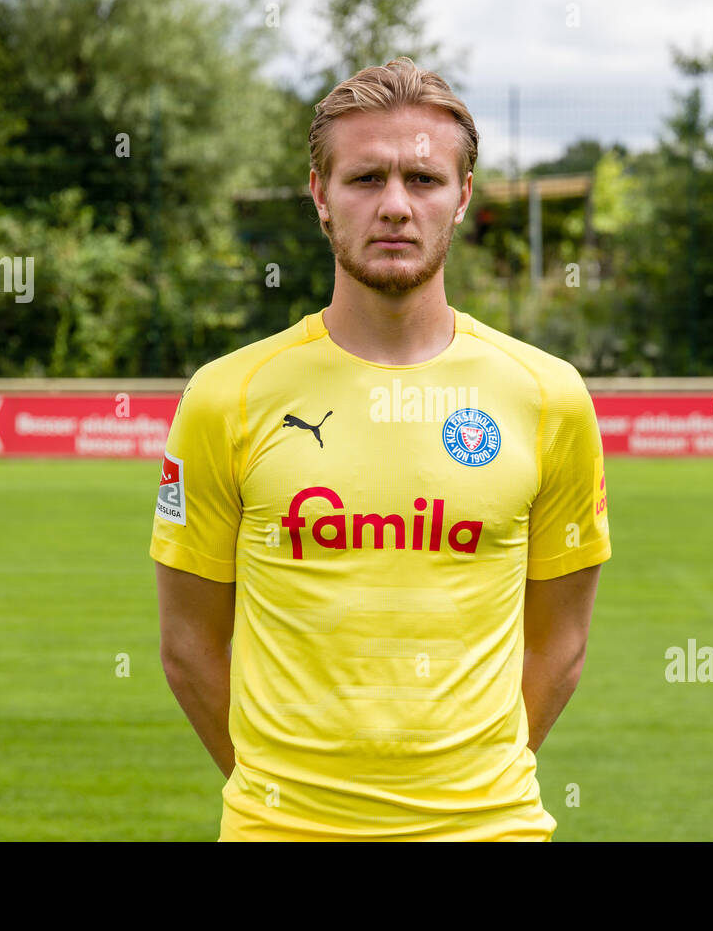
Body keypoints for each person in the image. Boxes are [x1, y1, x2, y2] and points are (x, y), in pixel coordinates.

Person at [151, 56, 611, 841]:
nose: (395, 206)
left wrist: (467, 791)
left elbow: (561, 644)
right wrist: (282, 796)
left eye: (423, 181)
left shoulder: (547, 395)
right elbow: (189, 646)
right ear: (320, 196)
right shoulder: (226, 395)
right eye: (366, 179)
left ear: (463, 196)